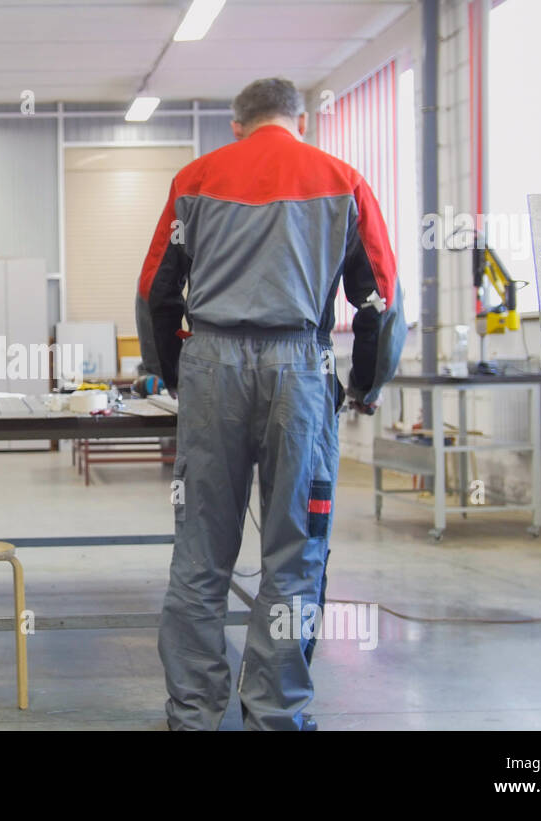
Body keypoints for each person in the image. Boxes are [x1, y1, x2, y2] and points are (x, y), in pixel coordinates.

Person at [136, 77, 406, 731]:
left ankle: (193, 711)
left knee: (201, 550)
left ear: (237, 124)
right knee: (295, 550)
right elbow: (380, 298)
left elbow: (156, 291)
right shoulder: (342, 178)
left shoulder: (196, 177)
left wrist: (174, 374)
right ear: (301, 121)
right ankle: (276, 712)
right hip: (299, 367)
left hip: (212, 366)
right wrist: (365, 384)